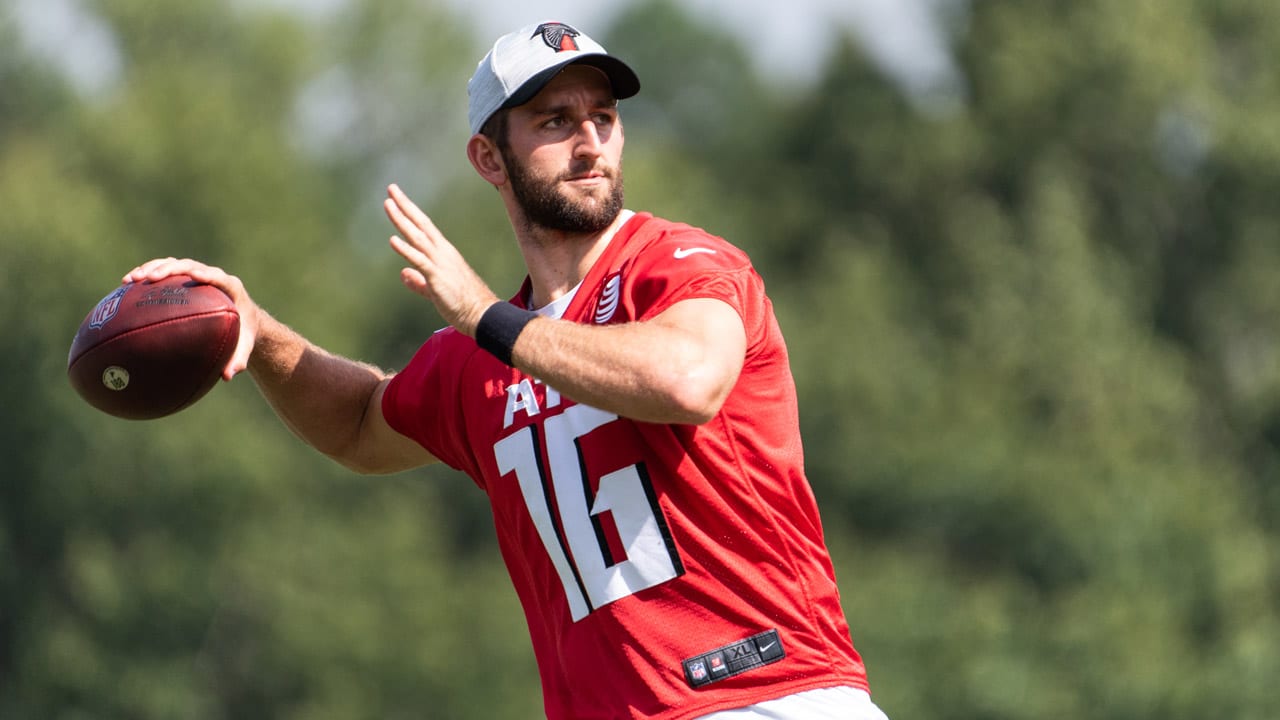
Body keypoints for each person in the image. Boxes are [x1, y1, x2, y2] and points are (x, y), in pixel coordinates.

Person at [127, 20, 886, 720]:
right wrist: (259, 334)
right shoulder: (480, 356)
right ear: (490, 157)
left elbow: (689, 379)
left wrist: (485, 317)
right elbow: (360, 424)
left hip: (771, 694)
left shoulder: (677, 263)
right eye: (555, 121)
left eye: (603, 117)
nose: (590, 142)